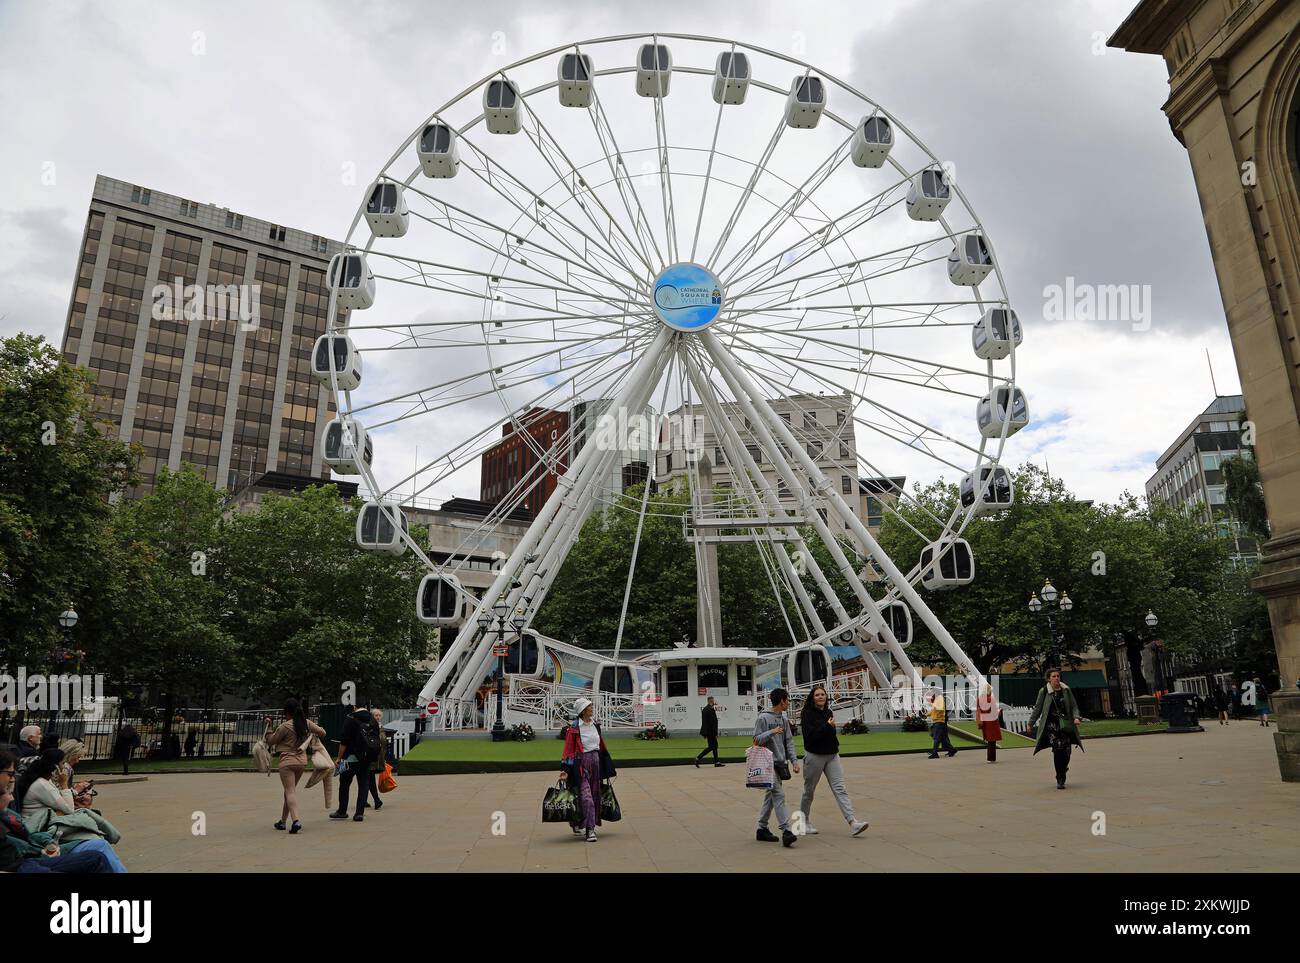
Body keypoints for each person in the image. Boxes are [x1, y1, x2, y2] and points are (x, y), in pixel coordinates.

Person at [0, 751, 116, 874]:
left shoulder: (46, 783)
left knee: (96, 851)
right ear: (54, 767)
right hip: (36, 842)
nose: (64, 767)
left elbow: (25, 835)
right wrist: (64, 784)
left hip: (37, 843)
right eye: (10, 774)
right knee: (98, 843)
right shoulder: (42, 785)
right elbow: (69, 809)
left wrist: (73, 791)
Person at [798, 684, 868, 837]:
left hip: (832, 755)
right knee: (809, 791)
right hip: (814, 756)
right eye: (817, 695)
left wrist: (829, 729)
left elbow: (830, 733)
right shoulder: (807, 714)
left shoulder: (828, 712)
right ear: (812, 698)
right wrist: (827, 727)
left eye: (822, 694)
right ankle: (803, 822)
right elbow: (811, 736)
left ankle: (853, 822)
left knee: (840, 788)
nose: (820, 697)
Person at [263, 699, 327, 834]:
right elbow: (322, 732)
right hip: (302, 761)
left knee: (290, 791)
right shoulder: (306, 723)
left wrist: (269, 727)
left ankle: (296, 821)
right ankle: (282, 821)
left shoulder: (284, 726)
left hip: (287, 761)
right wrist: (311, 736)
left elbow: (271, 741)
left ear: (287, 713)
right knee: (289, 791)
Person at [559, 698, 616, 842]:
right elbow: (569, 750)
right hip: (580, 765)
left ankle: (577, 822)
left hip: (596, 764)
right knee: (586, 797)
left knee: (594, 796)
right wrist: (565, 769)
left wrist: (607, 766)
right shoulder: (574, 729)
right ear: (583, 711)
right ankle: (590, 829)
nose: (592, 708)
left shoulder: (595, 725)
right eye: (589, 707)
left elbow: (601, 746)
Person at [753, 687, 799, 847]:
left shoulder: (784, 719)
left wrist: (794, 760)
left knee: (770, 797)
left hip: (780, 763)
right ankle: (786, 831)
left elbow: (789, 741)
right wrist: (772, 732)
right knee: (778, 794)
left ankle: (762, 828)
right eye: (787, 700)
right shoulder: (763, 718)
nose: (788, 703)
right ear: (782, 701)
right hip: (766, 763)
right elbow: (756, 740)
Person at [1028, 668, 1084, 789]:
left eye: (1058, 676)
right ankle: (1060, 777)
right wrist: (1030, 723)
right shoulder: (1044, 691)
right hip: (1052, 727)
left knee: (1067, 752)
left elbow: (1074, 706)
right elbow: (1038, 708)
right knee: (1058, 750)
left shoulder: (1066, 690)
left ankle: (1063, 767)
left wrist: (1076, 717)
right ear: (1049, 678)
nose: (1056, 678)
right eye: (1053, 676)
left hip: (1066, 725)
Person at [332, 706, 379, 822]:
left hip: (349, 758)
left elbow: (344, 741)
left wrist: (339, 758)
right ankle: (359, 813)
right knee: (363, 784)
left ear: (354, 707)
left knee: (344, 784)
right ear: (366, 707)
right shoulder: (373, 720)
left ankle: (342, 811)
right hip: (366, 758)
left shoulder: (350, 719)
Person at [975, 682, 1003, 762]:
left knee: (989, 738)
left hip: (984, 720)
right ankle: (991, 758)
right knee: (992, 740)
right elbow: (994, 711)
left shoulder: (979, 698)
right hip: (992, 721)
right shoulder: (991, 699)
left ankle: (990, 758)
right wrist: (999, 711)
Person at [926, 689, 957, 759]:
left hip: (939, 721)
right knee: (942, 738)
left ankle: (935, 753)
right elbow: (933, 710)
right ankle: (952, 750)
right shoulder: (937, 699)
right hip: (938, 721)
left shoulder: (939, 699)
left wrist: (933, 705)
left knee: (936, 738)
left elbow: (939, 708)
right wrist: (927, 714)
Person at [368, 708, 388, 810]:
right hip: (371, 757)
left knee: (367, 779)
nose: (378, 717)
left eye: (379, 715)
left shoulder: (381, 727)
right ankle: (376, 800)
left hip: (378, 757)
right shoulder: (370, 727)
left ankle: (363, 800)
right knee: (369, 779)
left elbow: (383, 744)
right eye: (376, 715)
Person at [695, 696, 723, 768]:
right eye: (713, 701)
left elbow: (705, 722)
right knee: (711, 747)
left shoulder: (705, 709)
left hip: (707, 731)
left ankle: (716, 762)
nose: (714, 702)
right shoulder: (710, 709)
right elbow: (713, 723)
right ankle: (698, 758)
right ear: (711, 701)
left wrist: (705, 733)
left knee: (715, 746)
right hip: (711, 732)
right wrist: (715, 733)